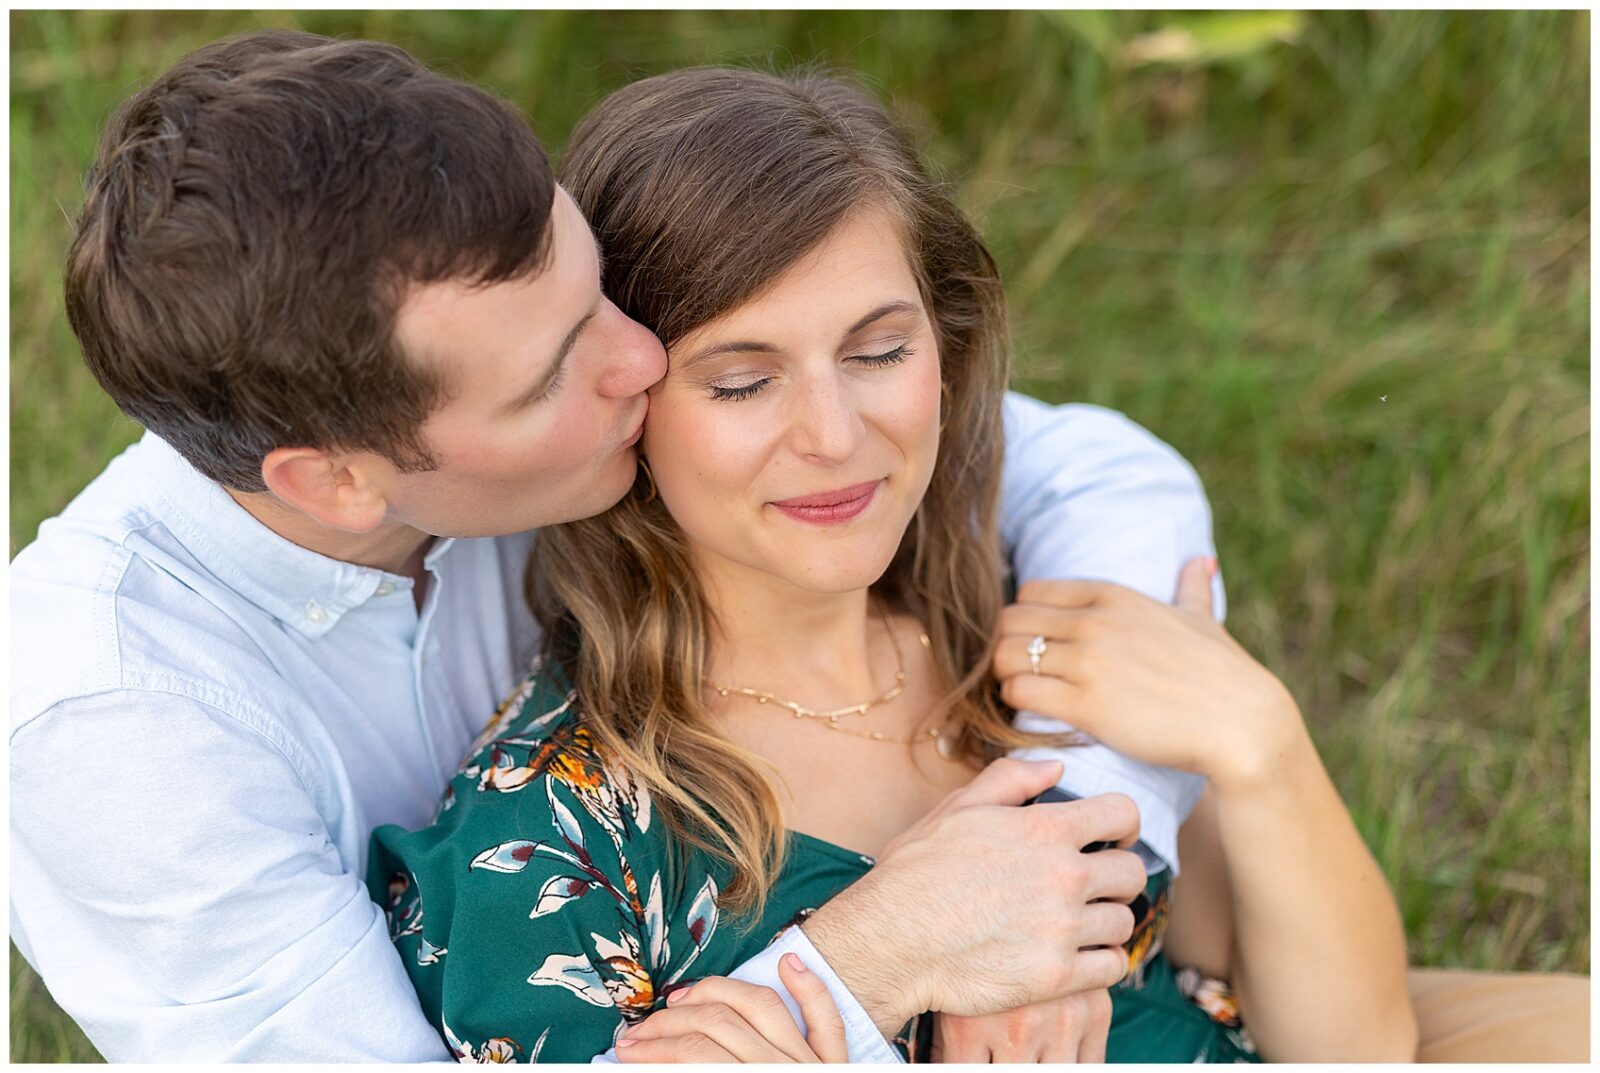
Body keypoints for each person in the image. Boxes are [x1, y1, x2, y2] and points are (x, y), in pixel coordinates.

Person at [11, 31, 1224, 1063]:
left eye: (594, 289)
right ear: (336, 479)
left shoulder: (551, 393)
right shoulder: (113, 731)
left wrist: (1066, 865)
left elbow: (1092, 470)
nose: (642, 360)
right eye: (554, 370)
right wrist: (881, 954)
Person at [365, 65, 1419, 1064]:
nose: (835, 433)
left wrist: (1261, 741)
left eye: (878, 352)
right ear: (625, 400)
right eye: (741, 380)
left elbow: (1358, 1049)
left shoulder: (1031, 634)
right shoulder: (546, 853)